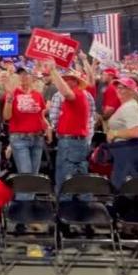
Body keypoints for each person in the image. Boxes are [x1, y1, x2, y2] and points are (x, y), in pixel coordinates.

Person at [44, 59, 92, 200]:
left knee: (65, 179)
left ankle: (66, 211)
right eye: (64, 80)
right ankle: (85, 209)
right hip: (75, 142)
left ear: (76, 82)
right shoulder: (76, 97)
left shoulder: (77, 94)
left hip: (71, 143)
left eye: (68, 80)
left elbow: (66, 93)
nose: (64, 82)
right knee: (80, 178)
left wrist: (53, 71)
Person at [105, 77, 138, 187]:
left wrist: (114, 133)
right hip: (126, 154)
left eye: (123, 88)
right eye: (118, 87)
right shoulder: (127, 105)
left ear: (131, 91)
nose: (119, 90)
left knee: (126, 188)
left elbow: (137, 132)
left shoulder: (129, 107)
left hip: (128, 154)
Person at [4, 68, 50, 183]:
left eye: (26, 74)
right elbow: (6, 116)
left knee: (34, 176)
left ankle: (29, 200)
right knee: (26, 175)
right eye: (21, 74)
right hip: (20, 138)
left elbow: (42, 115)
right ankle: (25, 200)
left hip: (37, 137)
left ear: (32, 77)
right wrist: (9, 99)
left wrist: (47, 127)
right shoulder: (12, 94)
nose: (24, 77)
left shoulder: (37, 95)